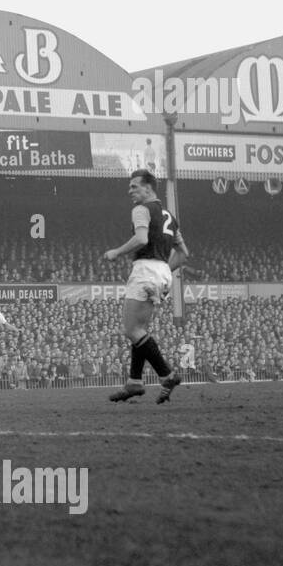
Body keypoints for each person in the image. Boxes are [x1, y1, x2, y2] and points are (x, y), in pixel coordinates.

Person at [104, 169, 189, 404]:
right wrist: (163, 273)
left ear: (148, 188)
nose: (130, 190)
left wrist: (116, 252)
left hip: (145, 270)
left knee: (132, 330)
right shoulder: (169, 216)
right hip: (162, 272)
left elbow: (141, 239)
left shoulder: (141, 210)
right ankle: (134, 382)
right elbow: (183, 254)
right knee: (139, 329)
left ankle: (166, 374)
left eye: (134, 186)